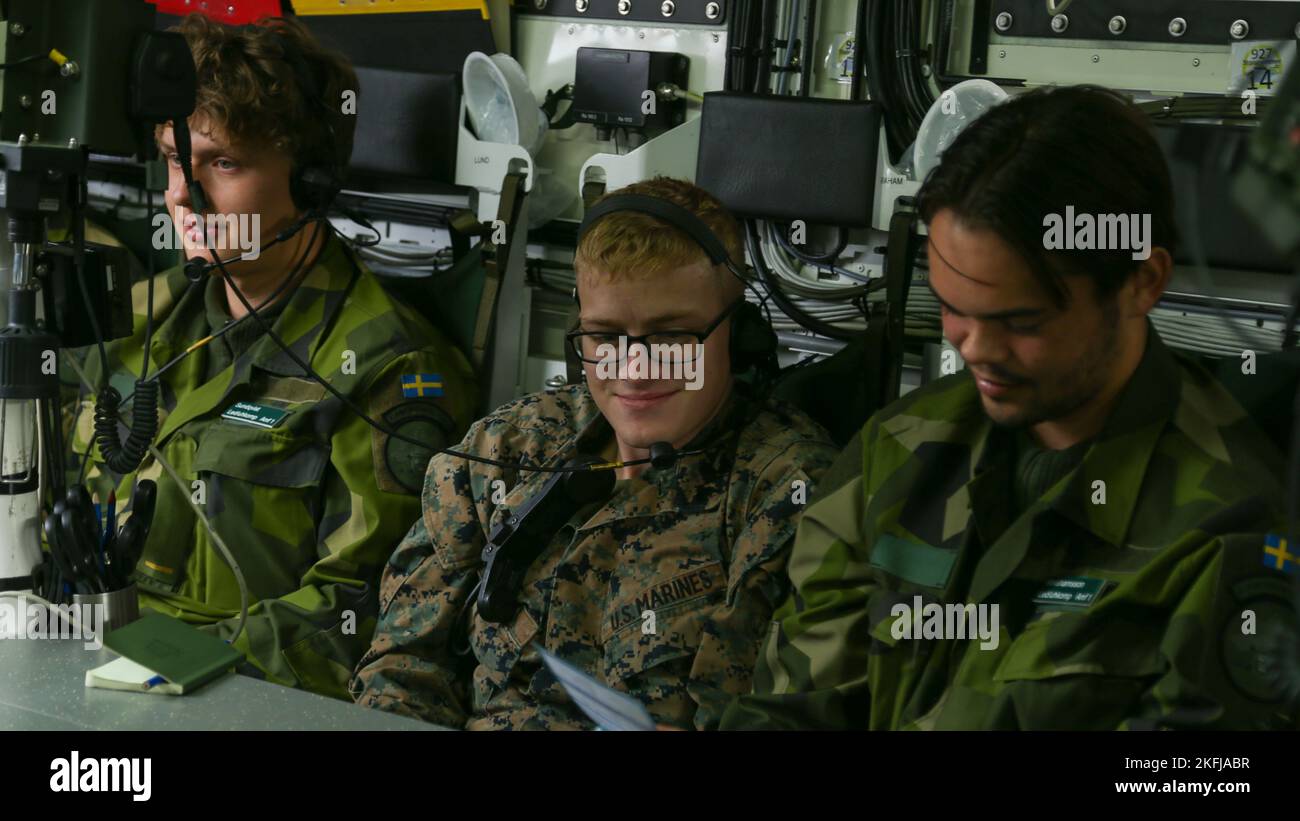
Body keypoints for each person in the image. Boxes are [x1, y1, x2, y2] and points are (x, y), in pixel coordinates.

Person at [720, 85, 1299, 730]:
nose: (974, 349)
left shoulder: (1225, 536)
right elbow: (797, 699)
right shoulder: (903, 447)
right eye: (951, 309)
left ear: (1142, 281)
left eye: (1021, 320)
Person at [64, 15, 477, 700]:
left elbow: (363, 607)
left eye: (222, 163)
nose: (182, 195)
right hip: (84, 660)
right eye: (174, 158)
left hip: (231, 693)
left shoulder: (386, 367)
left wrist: (168, 663)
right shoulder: (136, 318)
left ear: (310, 181)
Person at [350, 177, 838, 729]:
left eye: (671, 337)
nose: (632, 370)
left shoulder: (784, 494)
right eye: (604, 337)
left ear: (741, 335)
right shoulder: (506, 450)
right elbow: (400, 666)